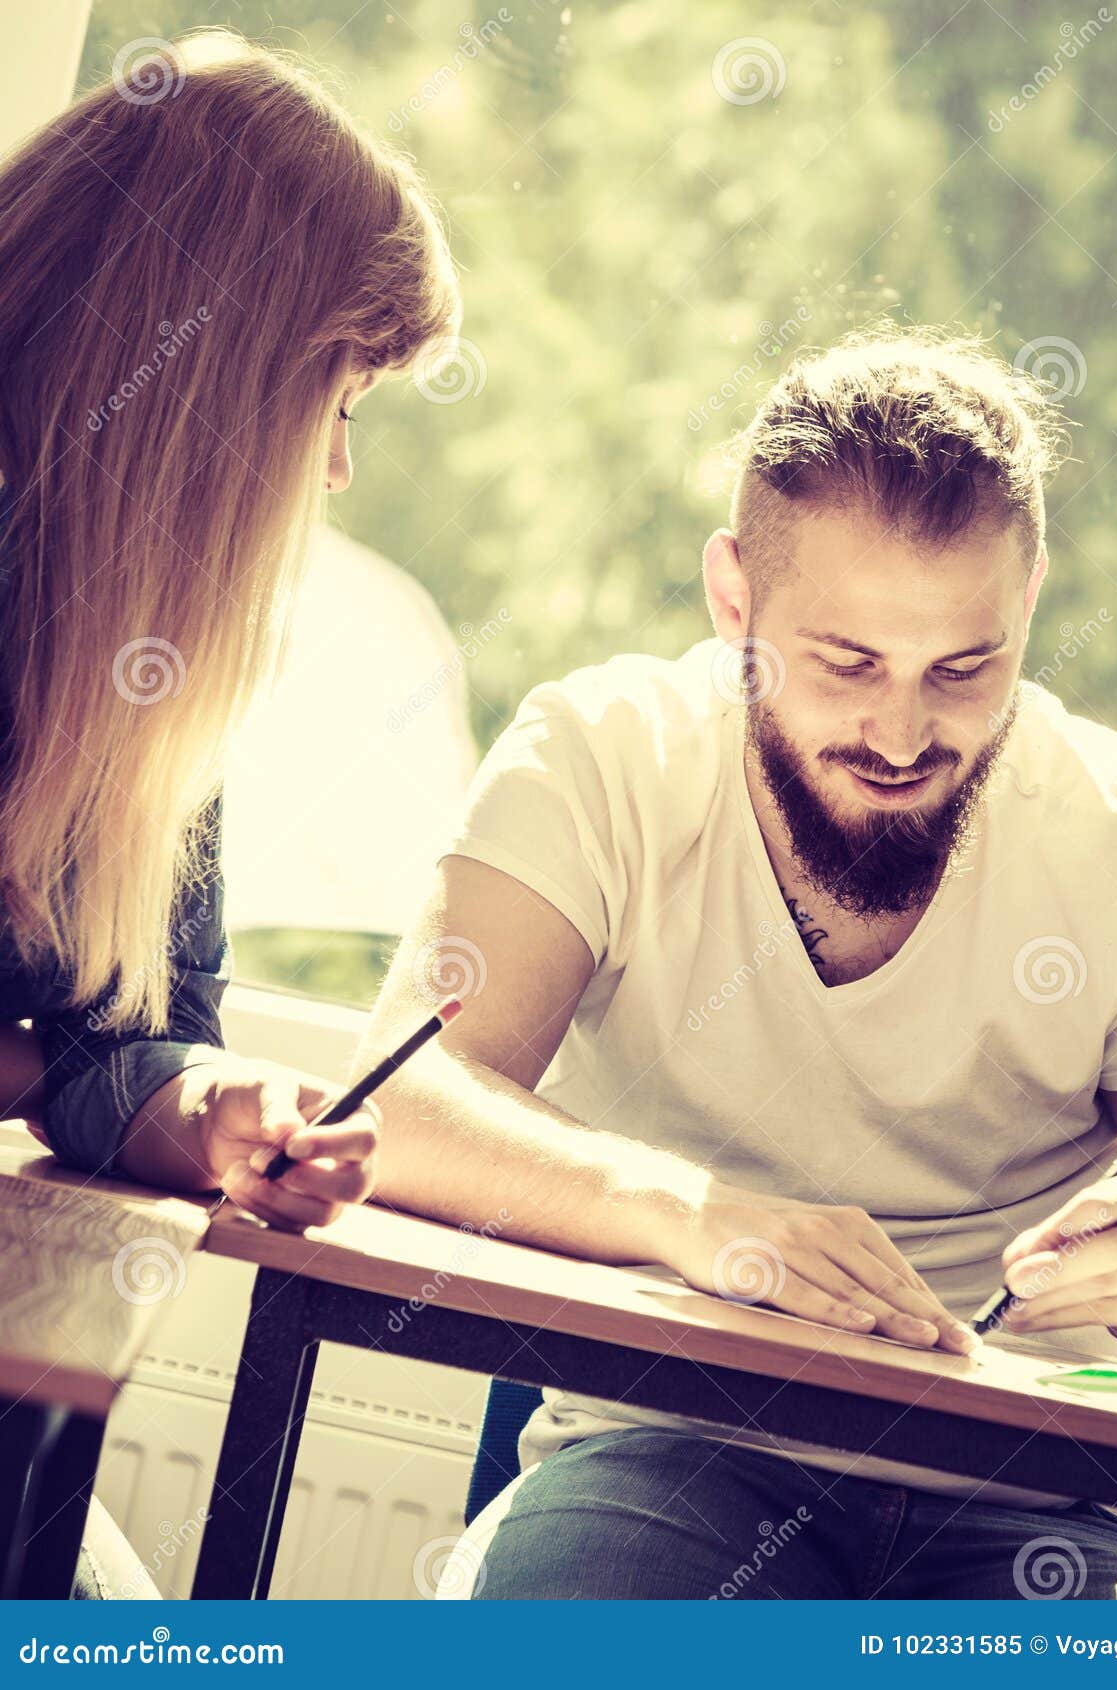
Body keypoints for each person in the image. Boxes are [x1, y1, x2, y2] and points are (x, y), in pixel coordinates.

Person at [358, 325, 1117, 1599]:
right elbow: (403, 1105)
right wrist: (695, 1216)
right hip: (665, 1455)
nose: (905, 732)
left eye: (966, 667)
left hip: (1040, 1510)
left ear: (1028, 602)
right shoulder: (604, 754)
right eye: (847, 663)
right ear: (735, 600)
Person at [0, 28, 460, 1594]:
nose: (335, 469)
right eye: (337, 399)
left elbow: (141, 1025)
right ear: (208, 378)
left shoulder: (144, 684)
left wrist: (206, 1109)